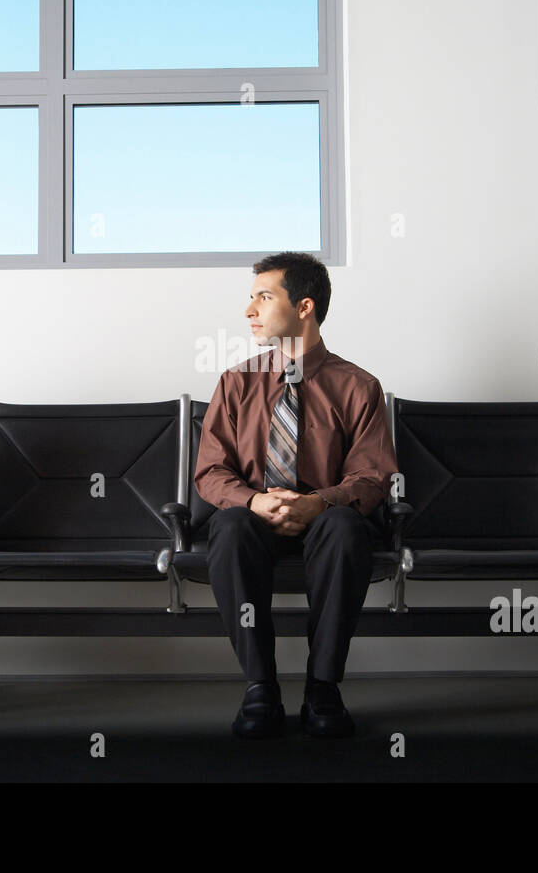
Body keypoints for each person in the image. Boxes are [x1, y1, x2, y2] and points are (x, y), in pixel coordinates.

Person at [194, 252, 397, 739]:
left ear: (304, 306)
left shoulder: (359, 386)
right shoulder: (237, 382)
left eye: (264, 298)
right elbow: (210, 471)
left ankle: (322, 686)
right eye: (251, 299)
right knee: (230, 524)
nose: (249, 312)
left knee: (346, 526)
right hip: (255, 519)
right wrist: (256, 501)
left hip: (327, 523)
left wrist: (318, 503)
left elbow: (371, 477)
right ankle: (260, 686)